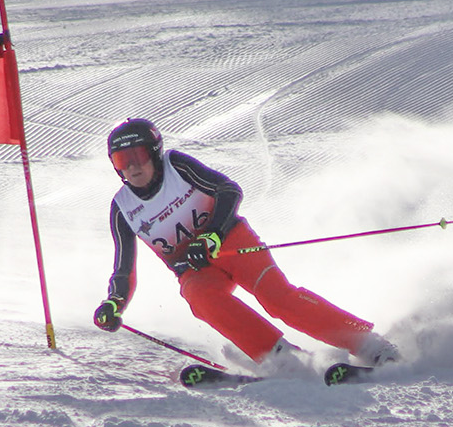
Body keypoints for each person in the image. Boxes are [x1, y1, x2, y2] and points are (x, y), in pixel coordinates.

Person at [92, 117, 401, 371]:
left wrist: (213, 234)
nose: (132, 167)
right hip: (197, 269)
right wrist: (114, 302)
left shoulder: (177, 166)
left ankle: (369, 344)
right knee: (198, 296)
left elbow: (228, 190)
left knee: (277, 298)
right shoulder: (123, 208)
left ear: (155, 153)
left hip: (232, 243)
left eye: (139, 156)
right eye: (122, 160)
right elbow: (124, 267)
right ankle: (282, 358)